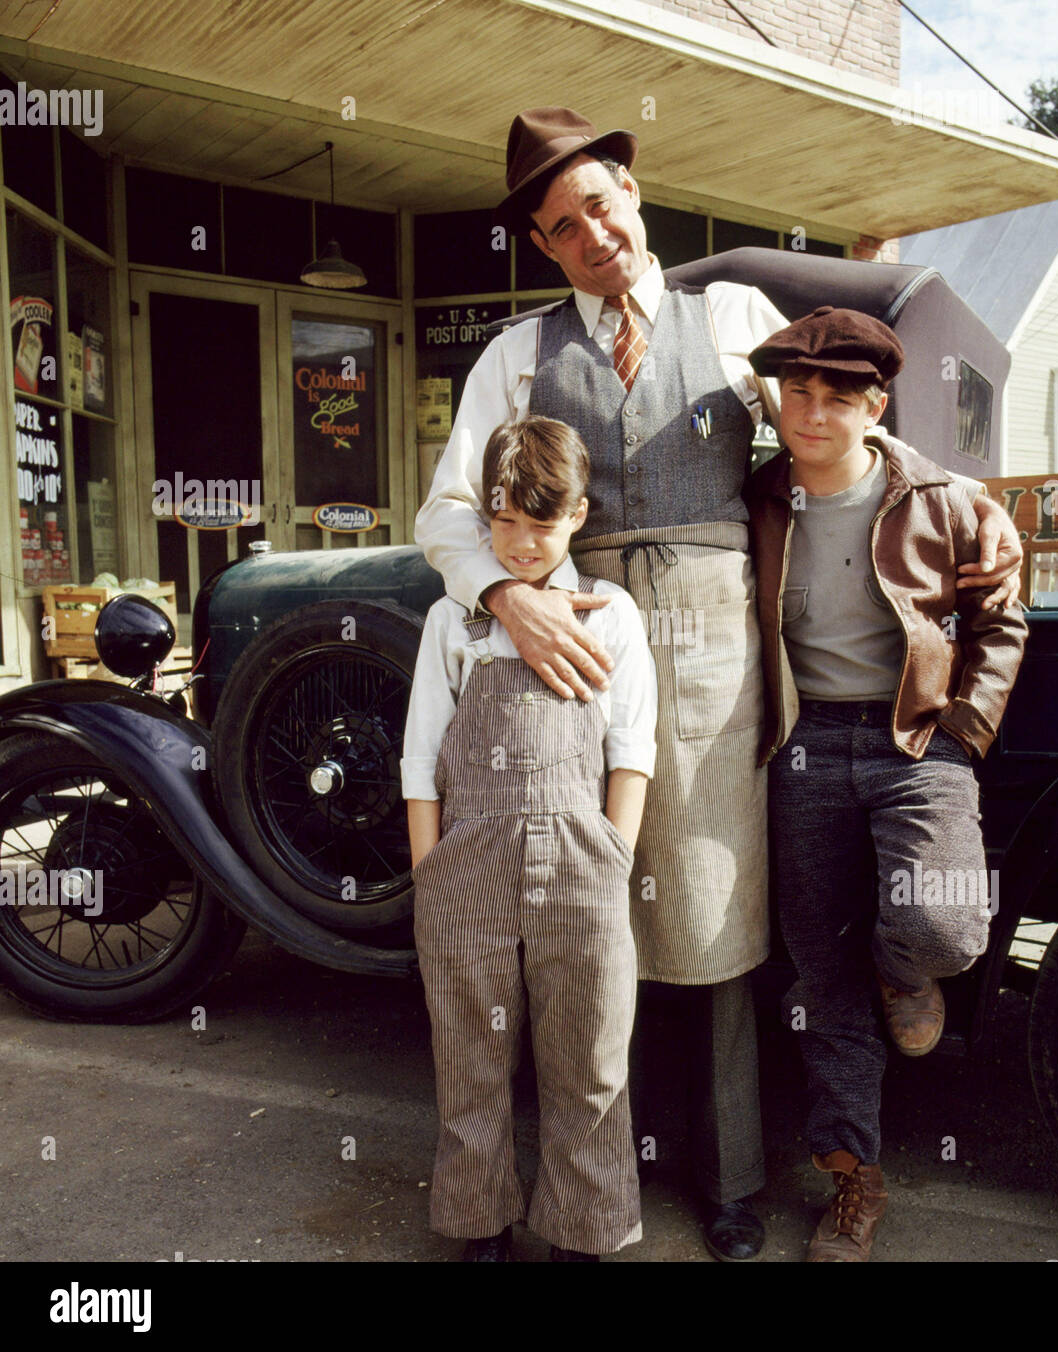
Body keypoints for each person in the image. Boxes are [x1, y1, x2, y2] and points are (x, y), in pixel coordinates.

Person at [413, 106, 1024, 1260]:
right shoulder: (517, 354)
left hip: (716, 667)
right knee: (580, 927)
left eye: (602, 203)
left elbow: (831, 416)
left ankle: (730, 1179)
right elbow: (447, 509)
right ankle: (587, 1187)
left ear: (634, 195)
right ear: (543, 247)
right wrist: (509, 596)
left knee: (714, 925)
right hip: (566, 662)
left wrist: (937, 493)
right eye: (562, 225)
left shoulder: (736, 316)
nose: (591, 233)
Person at [743, 306, 1028, 1261]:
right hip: (806, 745)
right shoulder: (760, 499)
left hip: (916, 742)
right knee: (819, 977)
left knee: (947, 922)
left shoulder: (946, 499)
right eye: (797, 393)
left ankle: (900, 967)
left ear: (875, 406)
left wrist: (965, 732)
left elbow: (1002, 614)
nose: (811, 414)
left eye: (836, 397)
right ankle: (854, 1180)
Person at [402, 415, 657, 1262]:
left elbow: (633, 749)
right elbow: (418, 760)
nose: (517, 545)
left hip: (583, 862)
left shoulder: (610, 614)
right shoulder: (456, 622)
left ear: (578, 515)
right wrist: (429, 869)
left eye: (539, 526)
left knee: (588, 1054)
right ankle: (479, 1223)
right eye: (501, 523)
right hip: (467, 861)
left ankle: (584, 1227)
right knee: (470, 1051)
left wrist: (613, 855)